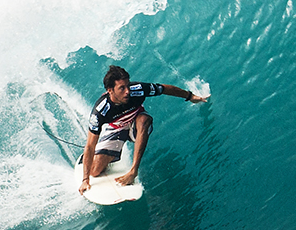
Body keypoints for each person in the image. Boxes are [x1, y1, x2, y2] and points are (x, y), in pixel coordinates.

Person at [79, 65, 207, 194]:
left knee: (143, 121)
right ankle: (106, 155)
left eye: (127, 85)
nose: (127, 91)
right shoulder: (100, 111)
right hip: (116, 128)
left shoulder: (137, 90)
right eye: (121, 88)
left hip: (137, 122)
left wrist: (190, 96)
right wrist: (85, 179)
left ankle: (133, 170)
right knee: (94, 172)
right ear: (110, 90)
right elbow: (90, 145)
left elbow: (165, 89)